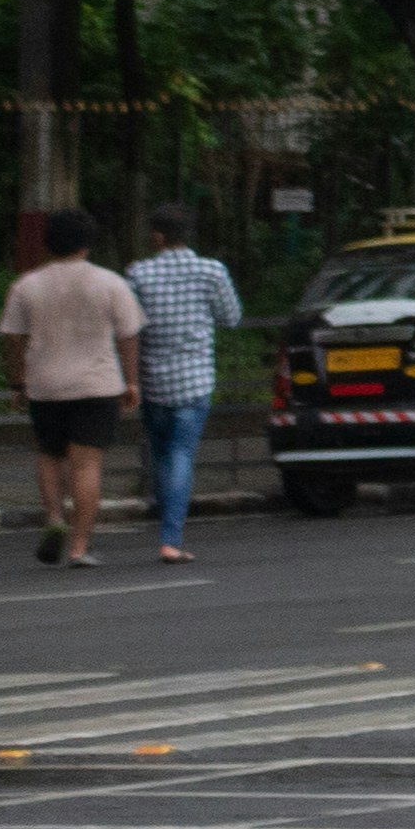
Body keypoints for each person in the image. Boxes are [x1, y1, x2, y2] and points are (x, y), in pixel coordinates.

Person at [0, 209, 144, 571]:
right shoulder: (110, 283)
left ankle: (54, 517)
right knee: (86, 465)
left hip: (44, 385)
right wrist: (131, 381)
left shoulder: (26, 285)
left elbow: (12, 338)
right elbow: (128, 336)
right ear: (87, 243)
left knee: (49, 455)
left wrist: (18, 382)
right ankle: (79, 548)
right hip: (96, 385)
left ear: (49, 242)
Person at [120, 202, 241, 567]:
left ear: (157, 236)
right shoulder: (211, 271)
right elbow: (231, 317)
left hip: (154, 380)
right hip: (195, 379)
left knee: (161, 454)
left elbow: (129, 327)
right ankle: (171, 539)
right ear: (187, 234)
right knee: (182, 453)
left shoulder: (138, 274)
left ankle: (166, 524)